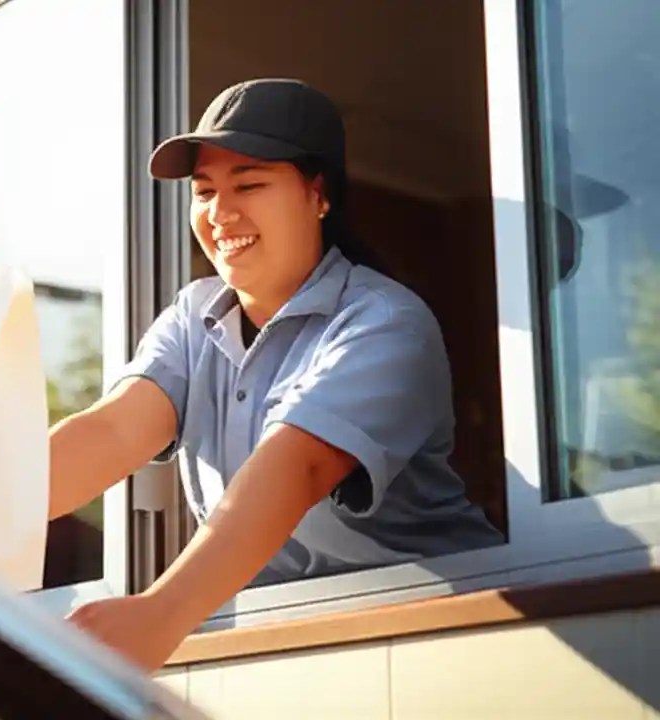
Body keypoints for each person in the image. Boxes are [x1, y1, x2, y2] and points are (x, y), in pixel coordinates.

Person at [57, 78, 503, 671]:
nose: (220, 213)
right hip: (290, 630)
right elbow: (114, 432)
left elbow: (298, 466)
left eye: (250, 184)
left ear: (318, 195)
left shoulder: (385, 321)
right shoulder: (194, 315)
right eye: (205, 190)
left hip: (454, 629)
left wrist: (160, 612)